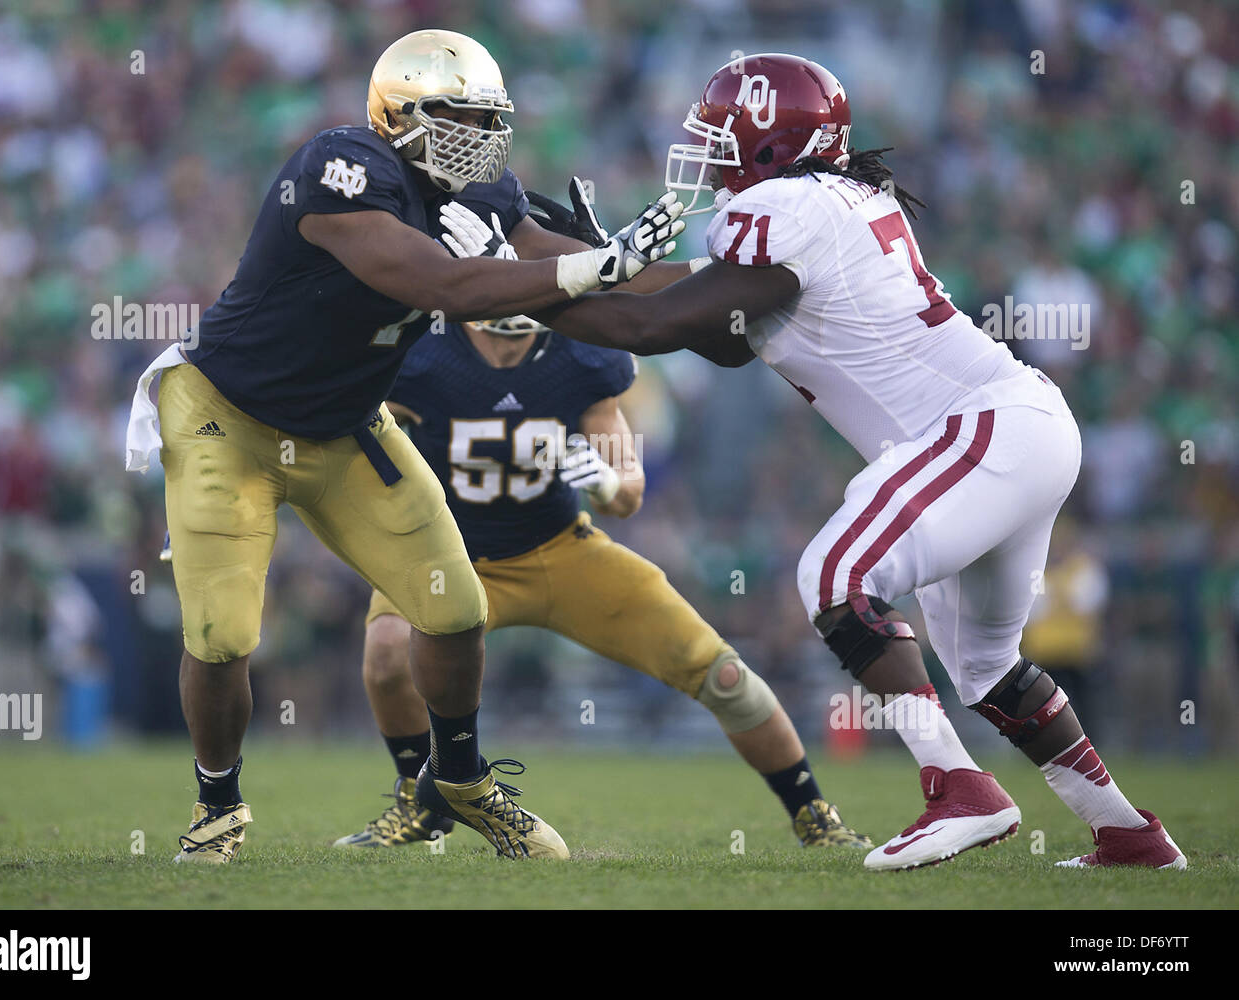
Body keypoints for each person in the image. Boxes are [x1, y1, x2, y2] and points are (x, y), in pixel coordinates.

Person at [456, 53, 1185, 871]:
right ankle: (1129, 833)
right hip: (1012, 431)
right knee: (985, 668)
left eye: (720, 133)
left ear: (768, 143)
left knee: (834, 574)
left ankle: (961, 789)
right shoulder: (825, 203)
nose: (707, 150)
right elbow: (702, 323)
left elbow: (650, 326)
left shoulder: (783, 209)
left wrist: (503, 282)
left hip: (980, 430)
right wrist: (527, 238)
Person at [123, 28, 683, 862]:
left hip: (344, 421)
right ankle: (218, 805)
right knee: (224, 634)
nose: (481, 136)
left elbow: (575, 273)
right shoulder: (340, 167)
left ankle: (458, 778)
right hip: (225, 418)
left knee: (456, 610)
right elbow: (443, 284)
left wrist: (686, 277)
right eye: (458, 115)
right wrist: (592, 268)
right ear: (402, 113)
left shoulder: (481, 191)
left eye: (489, 117)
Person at [331, 239, 869, 851]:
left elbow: (628, 492)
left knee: (722, 676)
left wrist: (607, 480)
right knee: (384, 651)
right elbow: (362, 431)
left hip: (559, 551)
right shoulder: (425, 352)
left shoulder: (579, 353)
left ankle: (813, 814)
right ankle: (420, 806)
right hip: (448, 554)